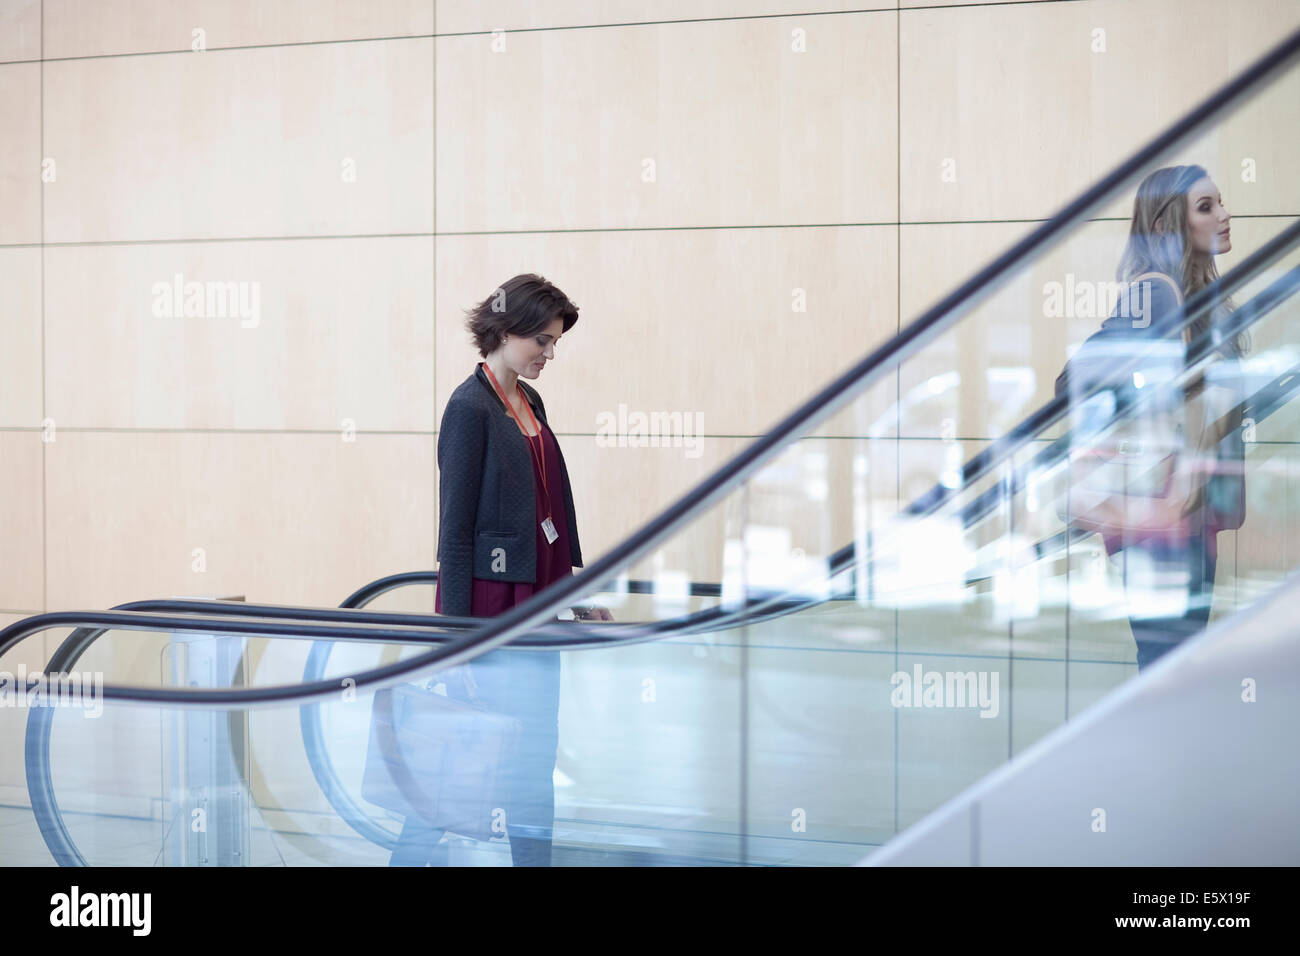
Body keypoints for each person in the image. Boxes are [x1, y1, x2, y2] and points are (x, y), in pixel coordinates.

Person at [388, 273, 610, 867]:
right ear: (506, 330)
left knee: (534, 757)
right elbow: (454, 533)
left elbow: (550, 506)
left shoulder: (531, 400)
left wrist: (576, 589)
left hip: (539, 603)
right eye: (541, 340)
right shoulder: (469, 408)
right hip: (492, 609)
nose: (550, 353)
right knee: (470, 759)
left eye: (555, 342)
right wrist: (453, 642)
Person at [1057, 165, 1247, 671]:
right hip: (1159, 518)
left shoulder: (1198, 298)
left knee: (1175, 664)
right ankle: (1164, 751)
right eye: (1206, 207)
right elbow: (1073, 381)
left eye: (1221, 202)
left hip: (1183, 515)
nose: (1225, 216)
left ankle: (1171, 749)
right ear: (1167, 226)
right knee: (1168, 663)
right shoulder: (1155, 292)